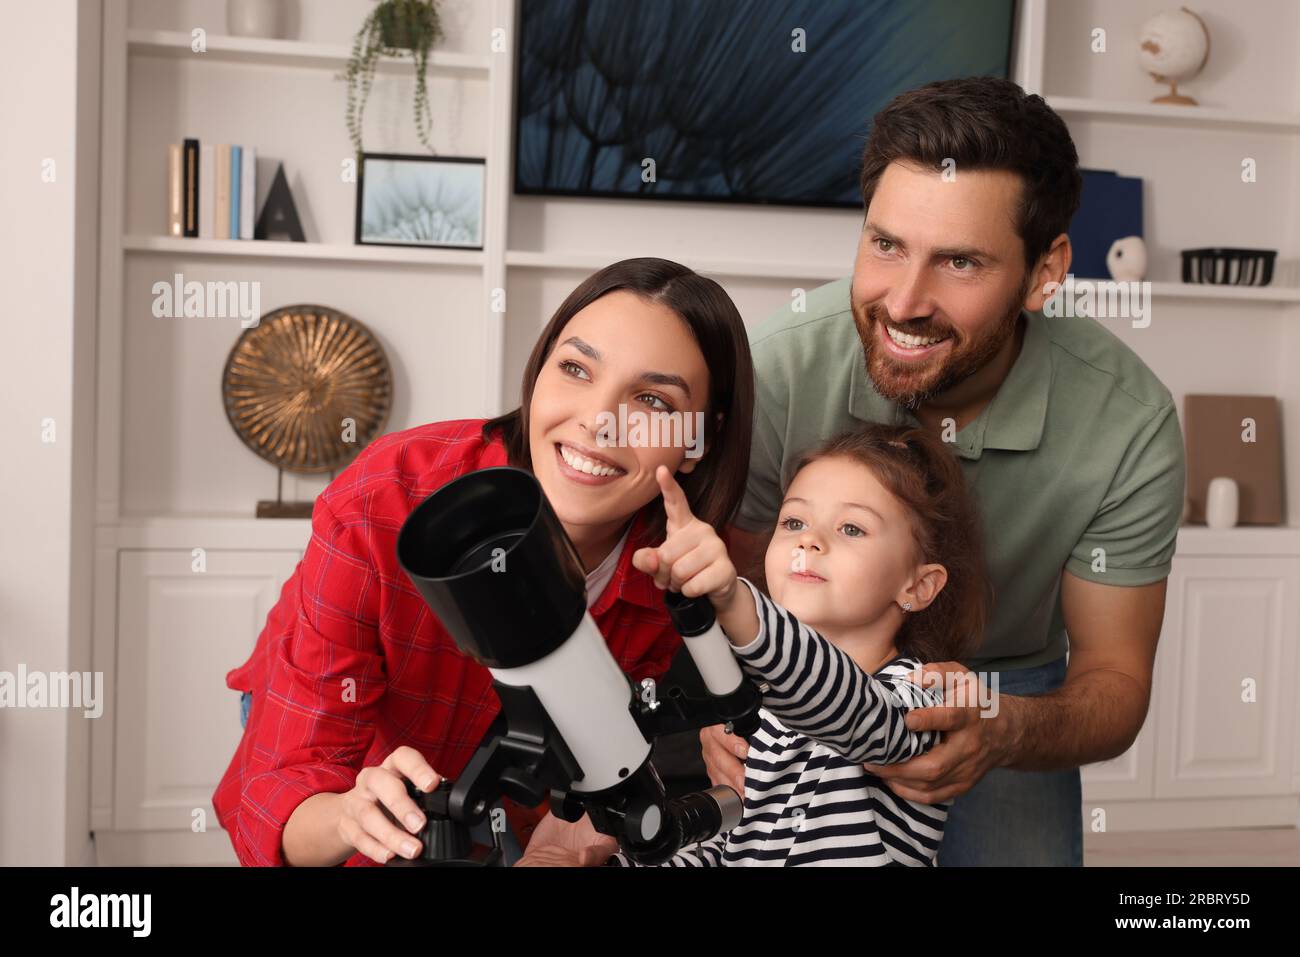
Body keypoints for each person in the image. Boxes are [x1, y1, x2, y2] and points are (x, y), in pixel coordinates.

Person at [701, 76, 1186, 866]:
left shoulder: (1129, 424)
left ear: (1044, 272)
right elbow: (739, 578)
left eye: (960, 262)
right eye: (886, 245)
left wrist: (1004, 729)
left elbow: (1114, 679)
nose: (904, 301)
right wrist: (729, 703)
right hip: (806, 661)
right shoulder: (781, 365)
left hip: (1005, 684)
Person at [212, 257, 755, 866]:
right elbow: (281, 800)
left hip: (497, 770)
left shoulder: (681, 561)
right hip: (341, 743)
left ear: (698, 440)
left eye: (652, 400)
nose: (598, 423)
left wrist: (727, 724)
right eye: (575, 368)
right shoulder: (386, 499)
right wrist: (348, 815)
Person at [519, 424, 993, 866]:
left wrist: (732, 599)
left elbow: (853, 713)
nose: (810, 541)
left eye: (852, 528)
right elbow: (730, 849)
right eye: (793, 522)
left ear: (919, 585)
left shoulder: (926, 696)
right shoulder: (755, 711)